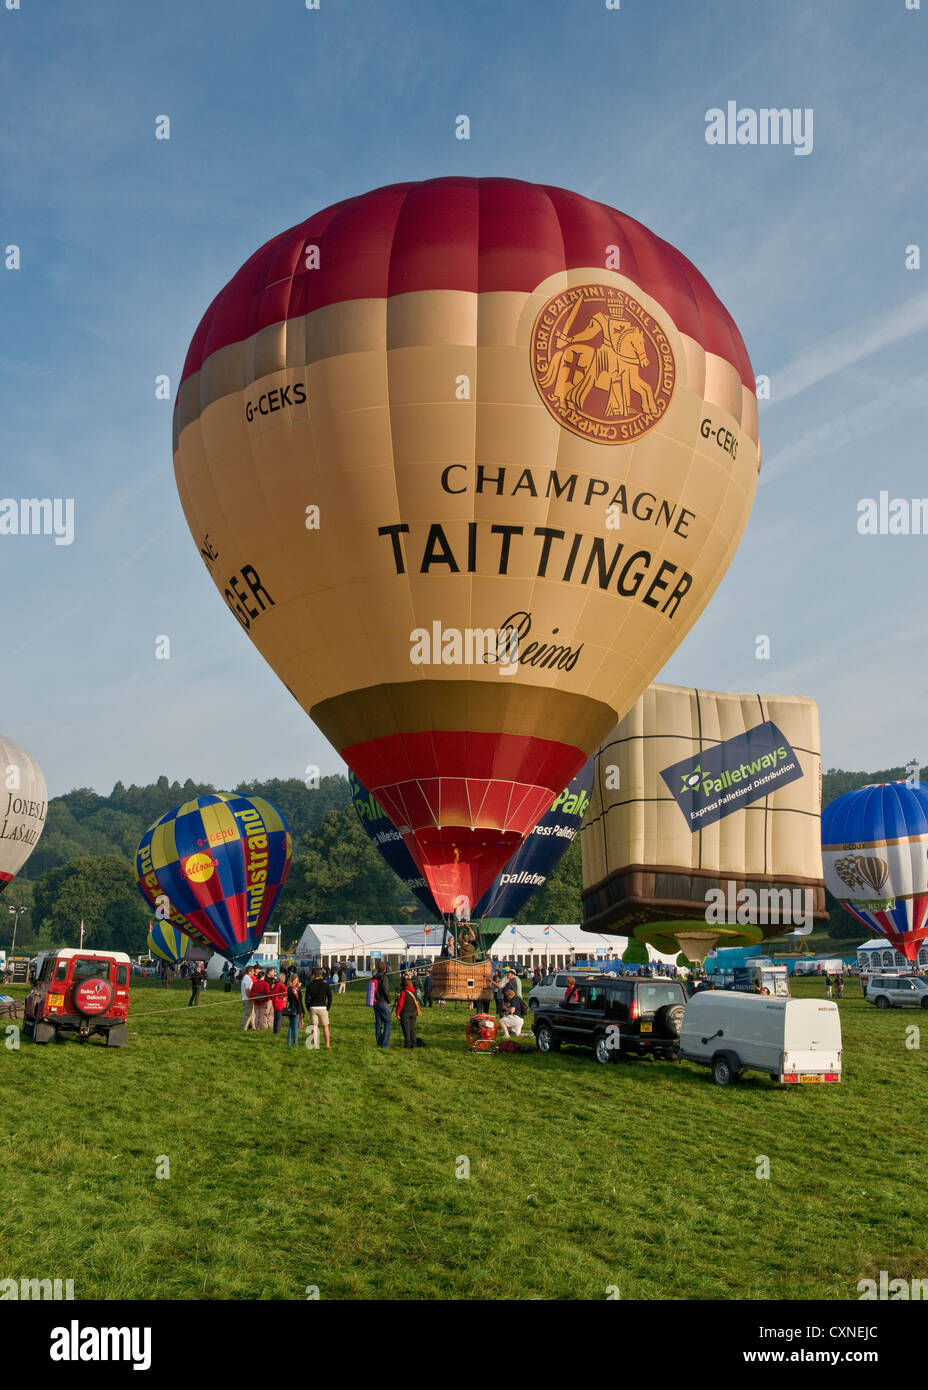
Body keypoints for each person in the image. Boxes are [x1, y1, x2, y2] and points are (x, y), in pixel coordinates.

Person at [306, 968, 333, 1049]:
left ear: (313, 975)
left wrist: (309, 1008)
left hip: (313, 1007)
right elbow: (330, 997)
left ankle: (315, 1044)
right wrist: (328, 1008)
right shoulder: (325, 984)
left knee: (314, 1027)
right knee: (325, 1026)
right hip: (323, 1007)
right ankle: (327, 1045)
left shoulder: (310, 985)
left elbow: (307, 999)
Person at [396, 972, 421, 1048]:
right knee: (412, 1028)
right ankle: (414, 1043)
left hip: (405, 1013)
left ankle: (408, 1044)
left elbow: (400, 1004)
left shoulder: (404, 992)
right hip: (413, 1012)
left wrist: (397, 1013)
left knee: (406, 1029)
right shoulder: (414, 992)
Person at [373, 963, 391, 1047]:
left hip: (375, 1002)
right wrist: (389, 1001)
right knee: (387, 1022)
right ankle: (385, 1044)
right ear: (385, 969)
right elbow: (386, 990)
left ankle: (379, 1042)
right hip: (383, 1002)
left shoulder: (374, 977)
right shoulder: (384, 977)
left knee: (378, 1023)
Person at [283, 972, 304, 1048]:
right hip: (295, 1010)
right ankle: (295, 1044)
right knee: (294, 1028)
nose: (295, 982)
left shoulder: (294, 988)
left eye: (297, 980)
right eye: (294, 980)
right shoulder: (291, 989)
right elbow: (297, 1001)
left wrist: (298, 990)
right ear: (291, 980)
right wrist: (296, 995)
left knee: (291, 1027)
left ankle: (289, 1044)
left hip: (293, 1009)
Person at [269, 969, 287, 1034]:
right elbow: (285, 990)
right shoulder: (281, 985)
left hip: (275, 1003)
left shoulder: (276, 985)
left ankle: (275, 1030)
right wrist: (283, 996)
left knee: (276, 1018)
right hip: (280, 1003)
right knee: (279, 1019)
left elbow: (271, 993)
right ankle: (278, 1031)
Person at [240, 964, 257, 1031]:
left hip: (248, 998)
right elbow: (247, 990)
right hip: (247, 999)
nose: (254, 973)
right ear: (249, 972)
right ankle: (243, 1028)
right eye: (252, 971)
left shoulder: (247, 978)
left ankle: (253, 1027)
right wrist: (250, 998)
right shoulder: (247, 979)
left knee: (252, 1013)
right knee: (248, 1014)